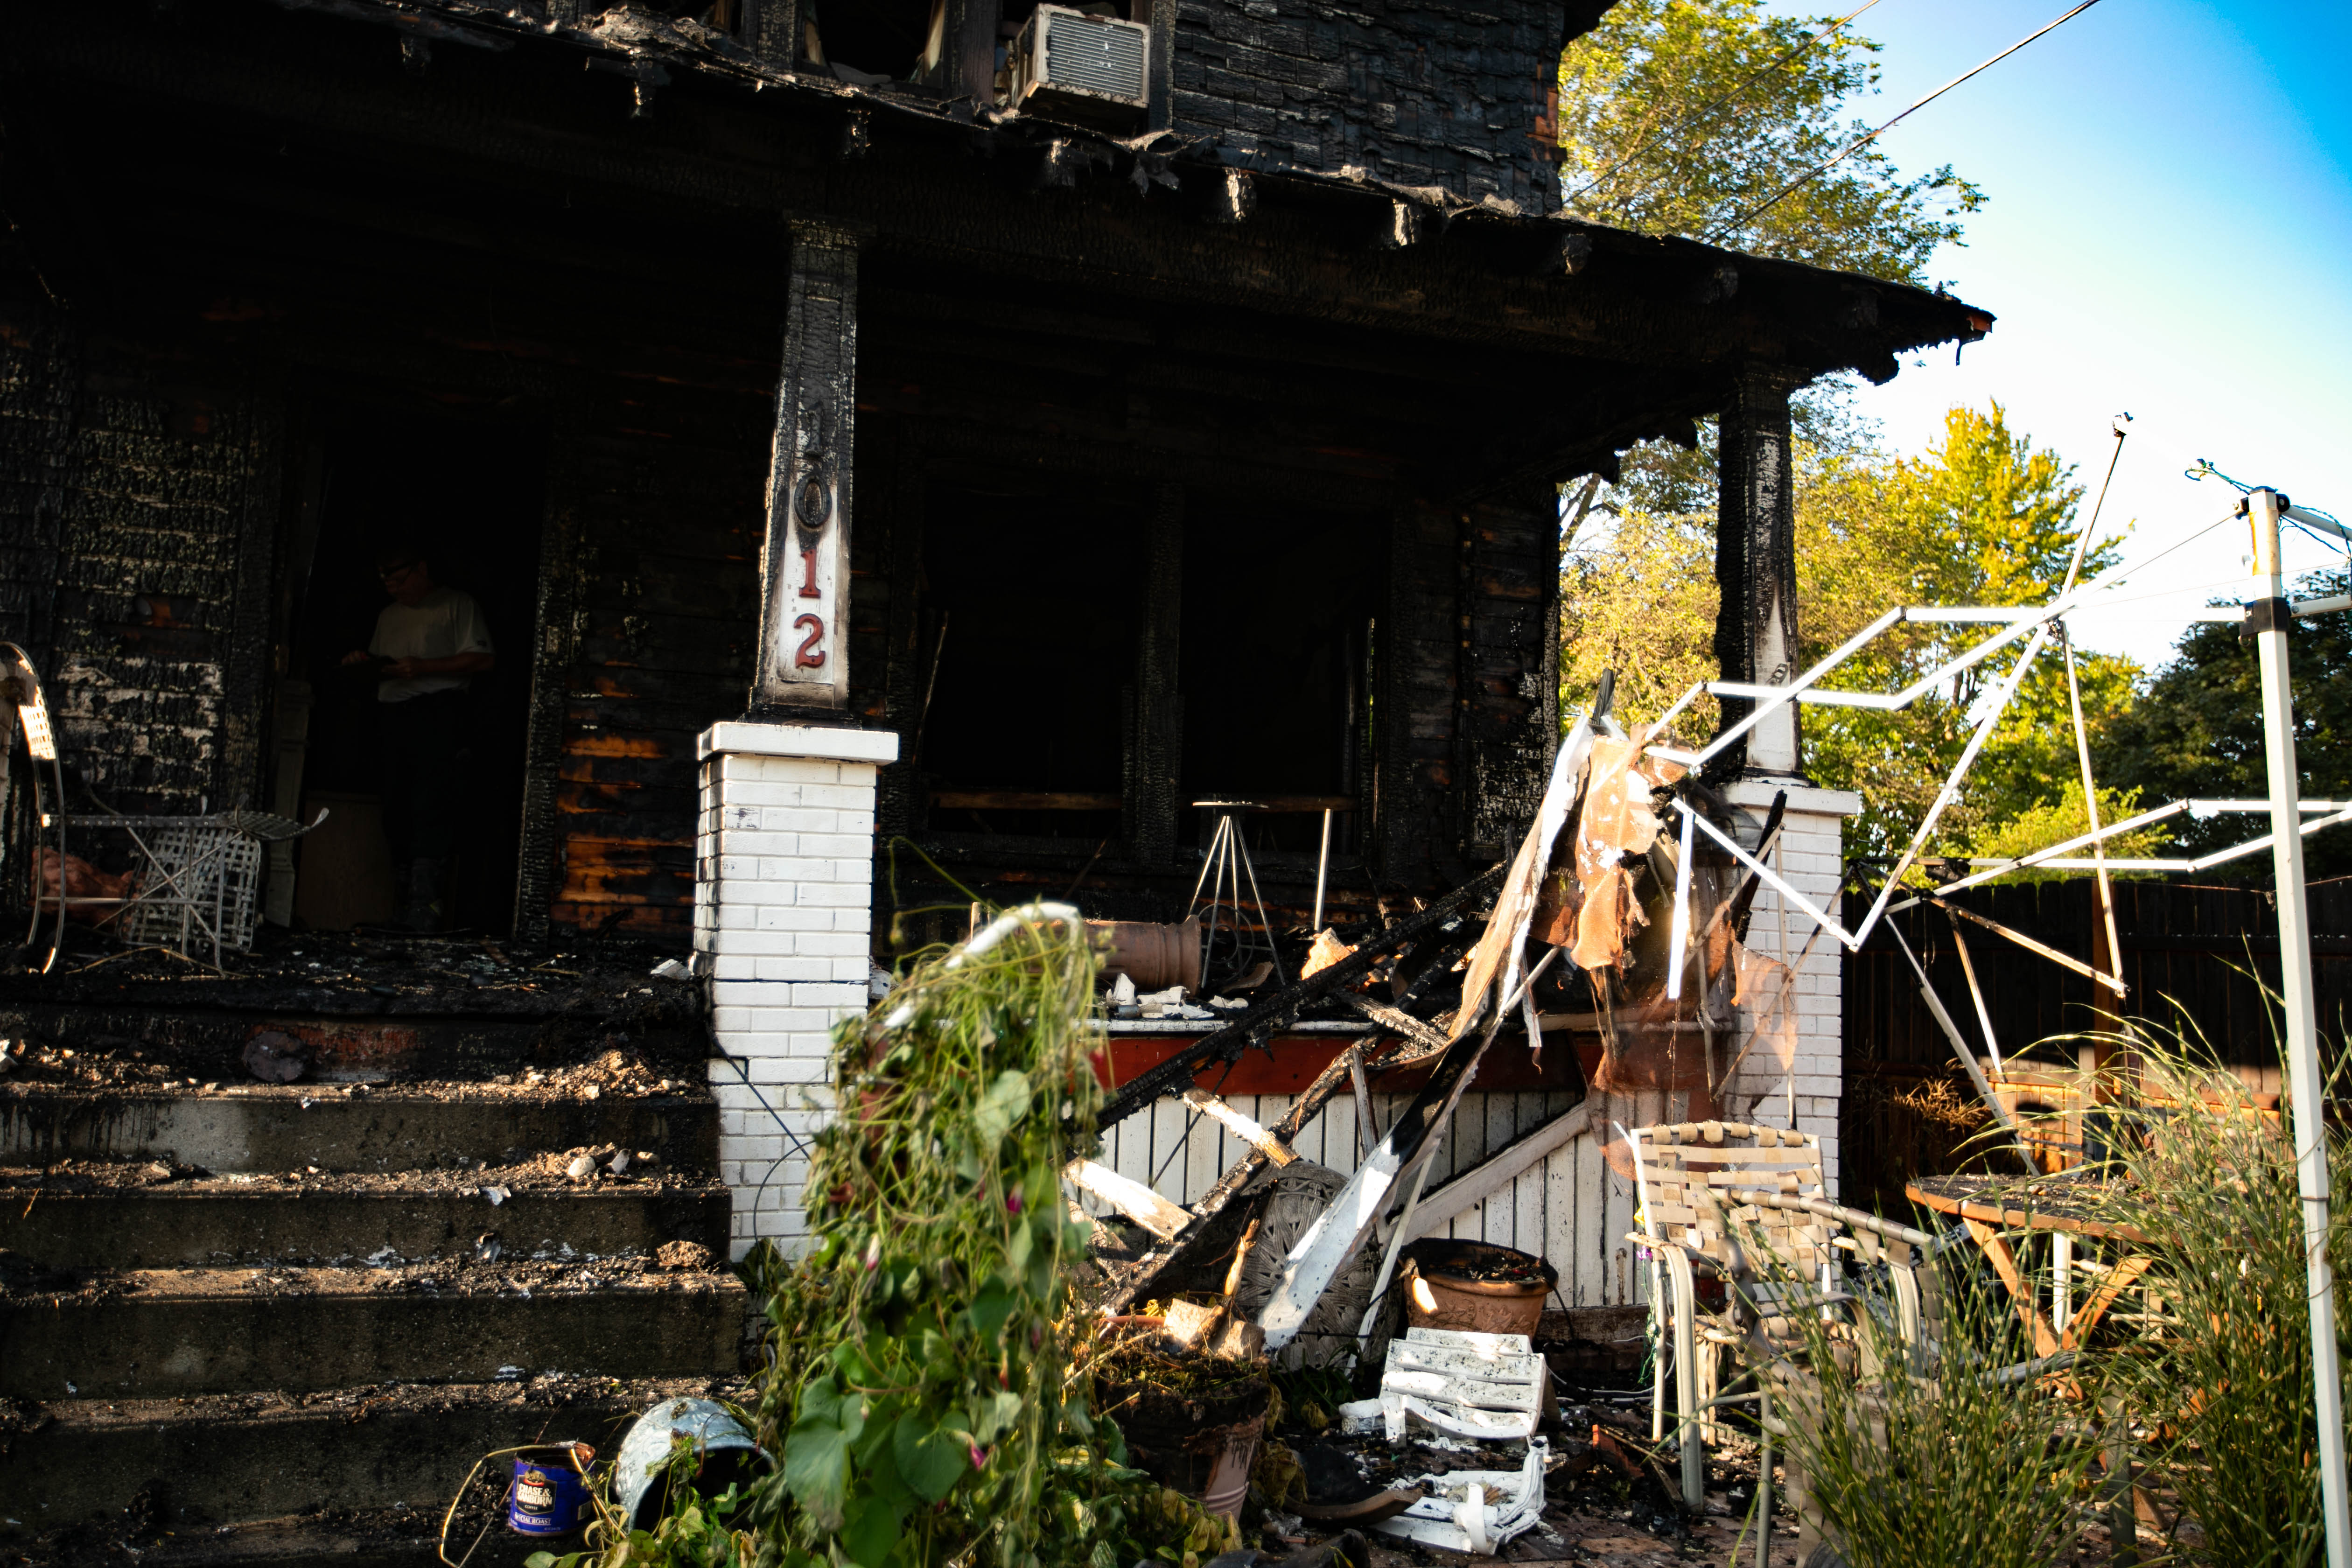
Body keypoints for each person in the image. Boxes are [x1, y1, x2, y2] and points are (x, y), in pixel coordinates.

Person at [341, 541, 494, 931]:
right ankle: (404, 906)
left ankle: (426, 908)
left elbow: (483, 659)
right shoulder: (389, 615)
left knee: (432, 804)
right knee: (396, 806)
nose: (393, 588)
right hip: (394, 717)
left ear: (422, 569)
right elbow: (381, 665)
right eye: (387, 582)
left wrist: (423, 667)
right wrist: (364, 664)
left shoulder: (456, 605)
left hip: (438, 714)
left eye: (398, 579)